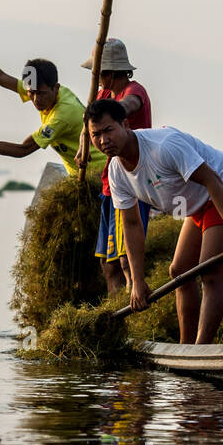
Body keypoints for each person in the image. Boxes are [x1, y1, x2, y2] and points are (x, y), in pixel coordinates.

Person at [84, 99, 223, 345]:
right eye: (95, 135)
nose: (103, 140)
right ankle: (185, 348)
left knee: (209, 270)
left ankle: (201, 349)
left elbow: (212, 180)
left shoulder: (163, 146)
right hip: (196, 206)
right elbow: (131, 225)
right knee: (179, 271)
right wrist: (137, 282)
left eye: (109, 130)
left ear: (125, 125)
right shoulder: (116, 173)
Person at [0, 28, 103, 178]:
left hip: (98, 173)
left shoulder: (62, 115)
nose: (36, 100)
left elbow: (22, 150)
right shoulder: (50, 92)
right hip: (82, 174)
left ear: (56, 88)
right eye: (31, 93)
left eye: (41, 94)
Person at [78, 39, 152, 294]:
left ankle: (136, 305)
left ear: (108, 73)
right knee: (107, 264)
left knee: (125, 261)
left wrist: (108, 112)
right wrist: (83, 142)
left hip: (133, 182)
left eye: (99, 74)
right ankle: (118, 313)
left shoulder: (134, 91)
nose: (96, 79)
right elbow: (87, 123)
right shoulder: (103, 95)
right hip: (111, 184)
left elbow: (130, 104)